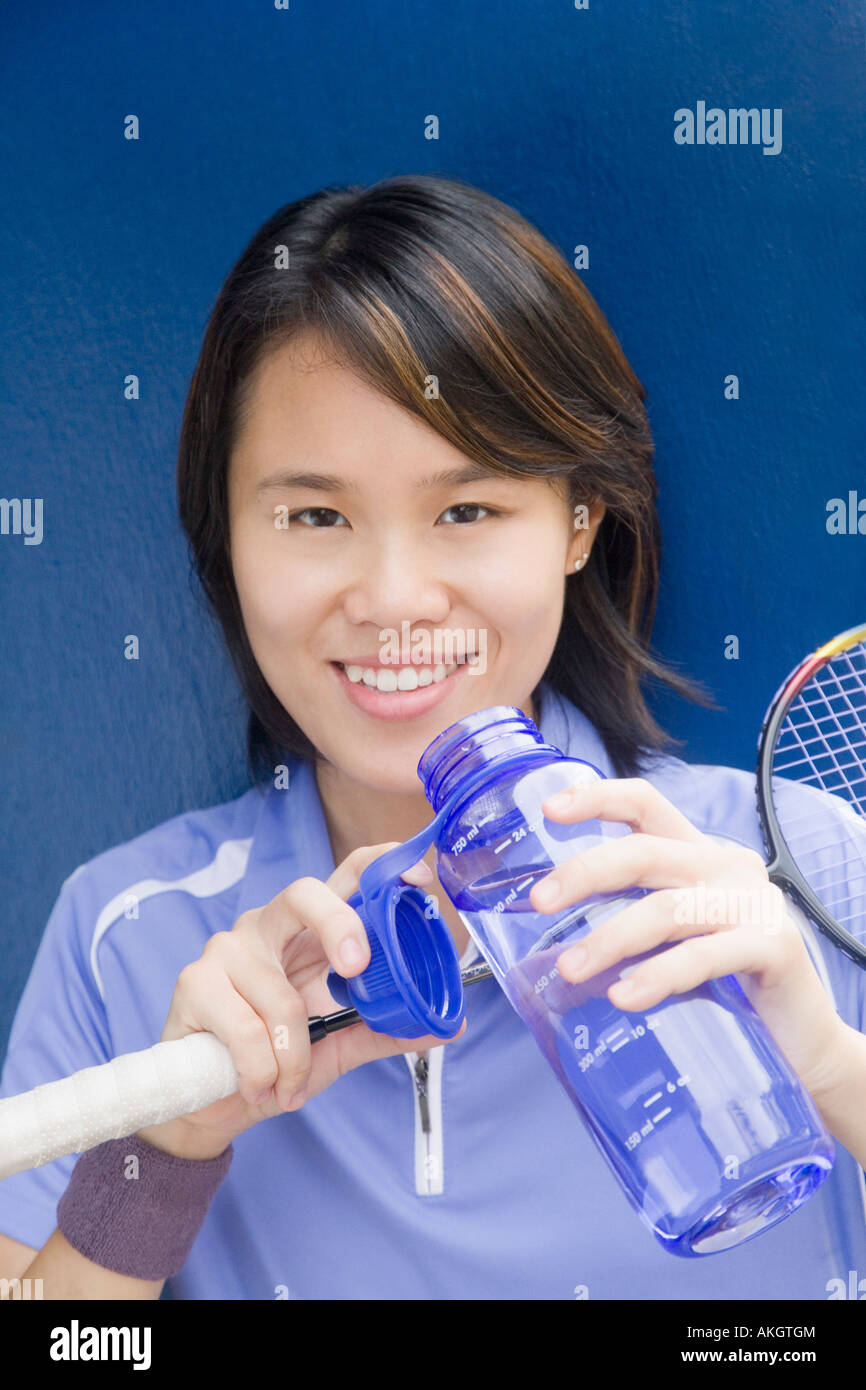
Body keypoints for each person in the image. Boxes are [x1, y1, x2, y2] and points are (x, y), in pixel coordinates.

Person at [1, 174, 864, 1301]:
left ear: (577, 520)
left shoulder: (794, 865)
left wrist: (827, 1062)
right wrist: (167, 1148)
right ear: (226, 533)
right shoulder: (124, 932)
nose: (393, 599)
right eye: (314, 516)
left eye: (467, 509)